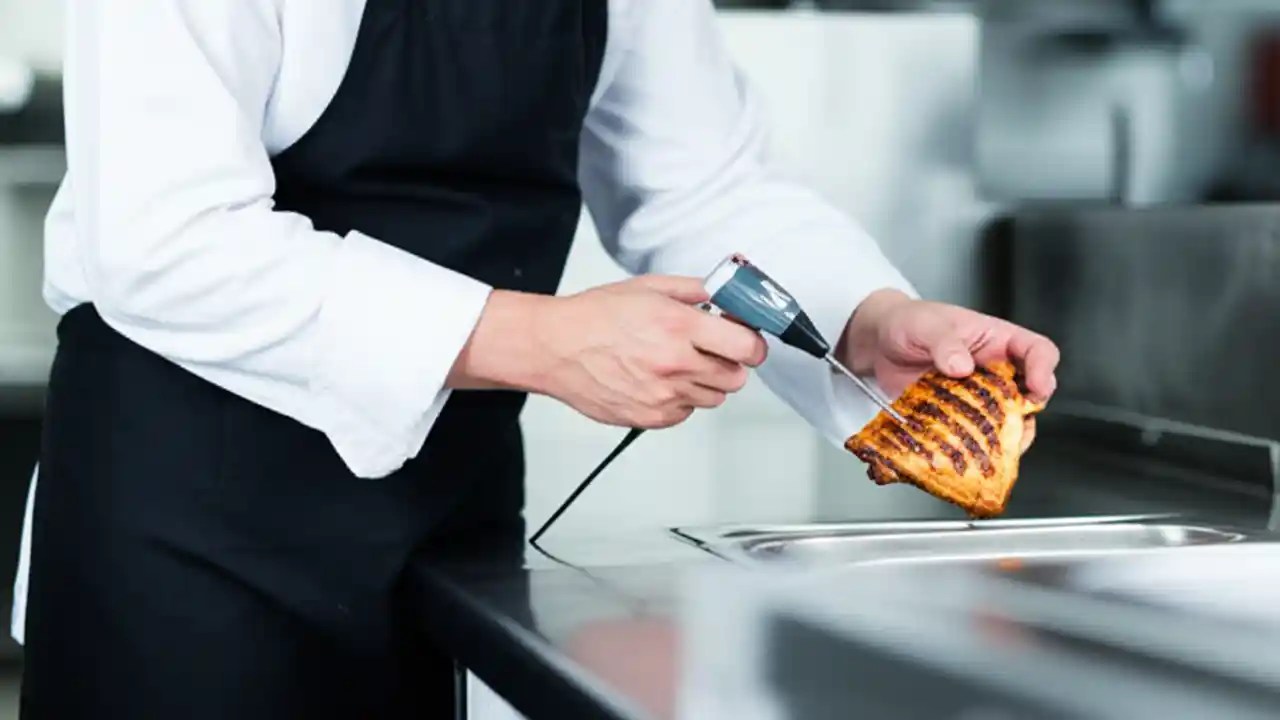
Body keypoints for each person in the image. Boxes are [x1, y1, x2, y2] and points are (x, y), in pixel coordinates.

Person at [13, 0, 1060, 717]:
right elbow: (160, 239)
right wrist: (534, 339)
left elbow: (699, 186)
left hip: (441, 511)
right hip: (188, 522)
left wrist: (861, 324)